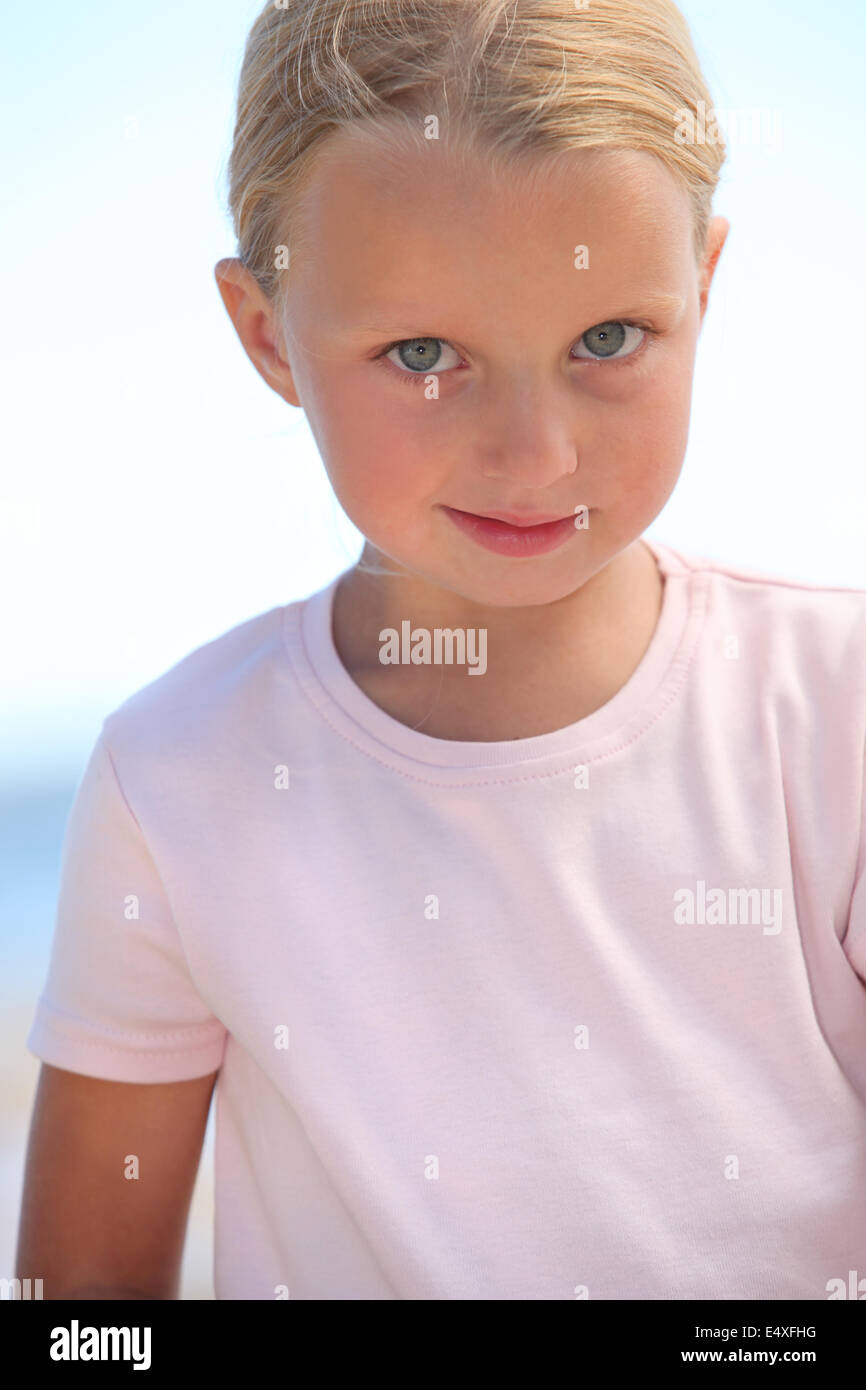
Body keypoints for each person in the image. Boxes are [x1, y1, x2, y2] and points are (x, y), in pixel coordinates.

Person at [16, 0, 866, 1301]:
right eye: (422, 355)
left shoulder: (833, 709)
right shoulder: (175, 781)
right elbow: (83, 1317)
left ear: (700, 286)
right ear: (264, 336)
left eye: (607, 340)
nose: (533, 455)